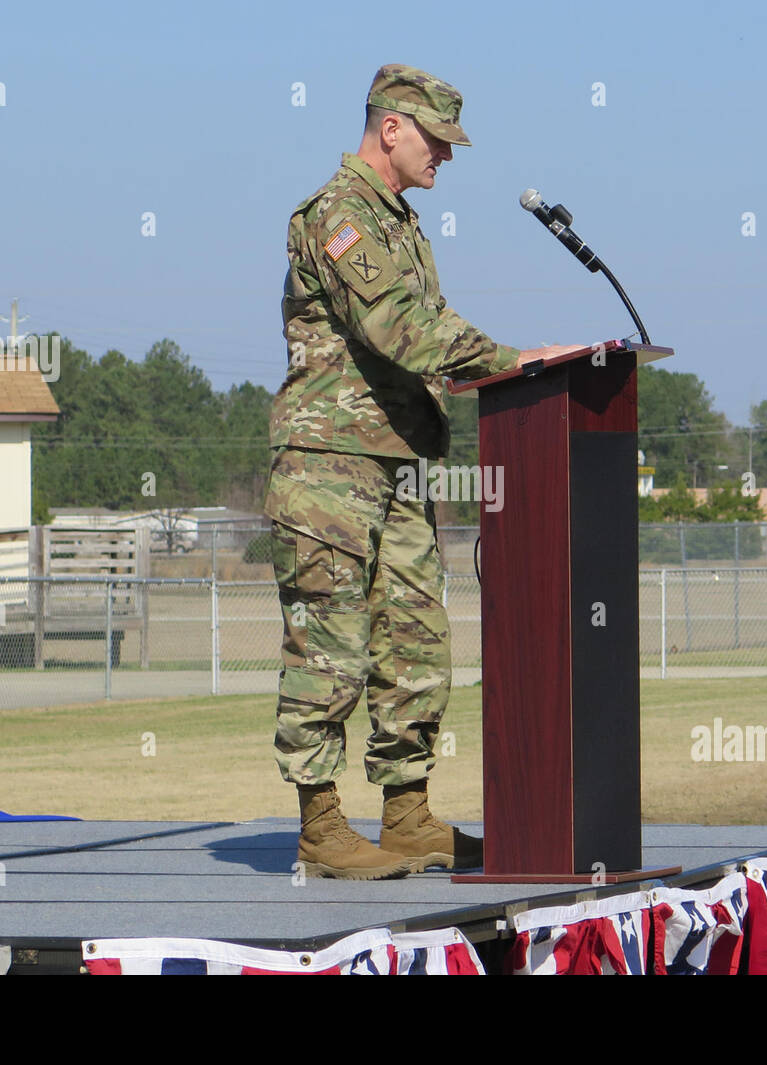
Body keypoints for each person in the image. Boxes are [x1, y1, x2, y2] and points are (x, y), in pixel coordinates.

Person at [264, 63, 578, 880]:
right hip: (330, 467)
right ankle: (320, 825)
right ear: (392, 128)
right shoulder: (338, 215)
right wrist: (515, 360)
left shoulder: (399, 221)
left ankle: (406, 817)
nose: (447, 156)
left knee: (414, 645)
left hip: (398, 467)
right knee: (328, 648)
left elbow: (422, 327)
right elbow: (401, 327)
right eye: (438, 140)